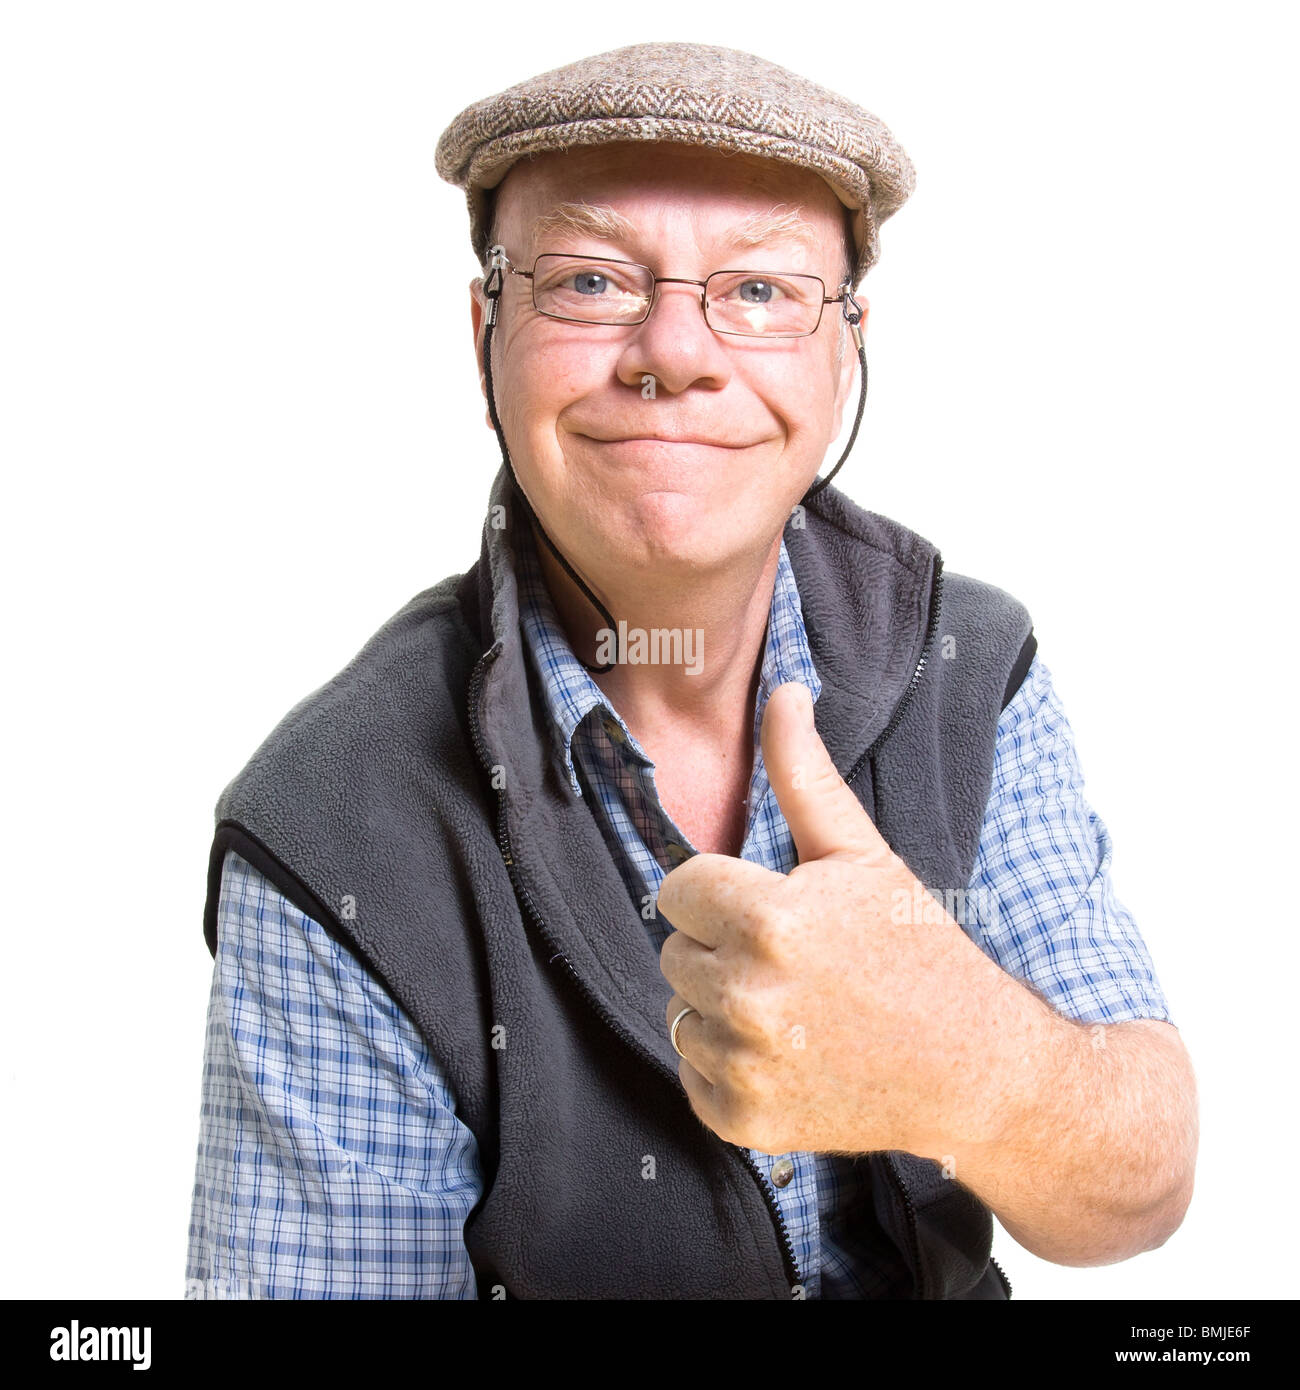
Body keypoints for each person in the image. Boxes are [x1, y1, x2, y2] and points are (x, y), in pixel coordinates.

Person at [186, 42, 1197, 1300]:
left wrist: (962, 1066)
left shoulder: (969, 670)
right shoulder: (330, 826)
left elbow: (1141, 1184)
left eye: (762, 290)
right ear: (484, 329)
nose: (674, 350)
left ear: (845, 350)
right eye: (593, 280)